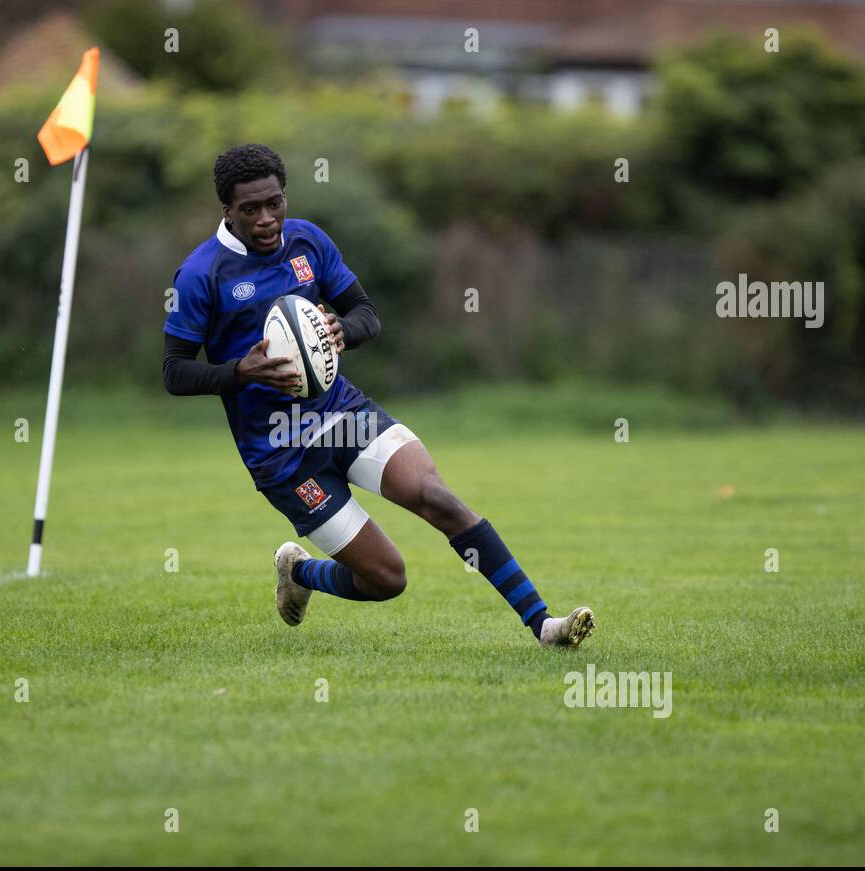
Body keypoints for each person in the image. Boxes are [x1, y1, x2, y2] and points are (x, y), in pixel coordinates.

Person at [162, 144, 594, 647]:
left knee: (438, 499)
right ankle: (299, 573)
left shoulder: (308, 242)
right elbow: (175, 372)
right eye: (250, 209)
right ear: (227, 211)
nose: (266, 219)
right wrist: (240, 372)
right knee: (387, 579)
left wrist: (342, 330)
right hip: (280, 454)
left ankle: (543, 625)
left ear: (284, 197)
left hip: (344, 414)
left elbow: (366, 314)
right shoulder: (201, 275)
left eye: (274, 203)